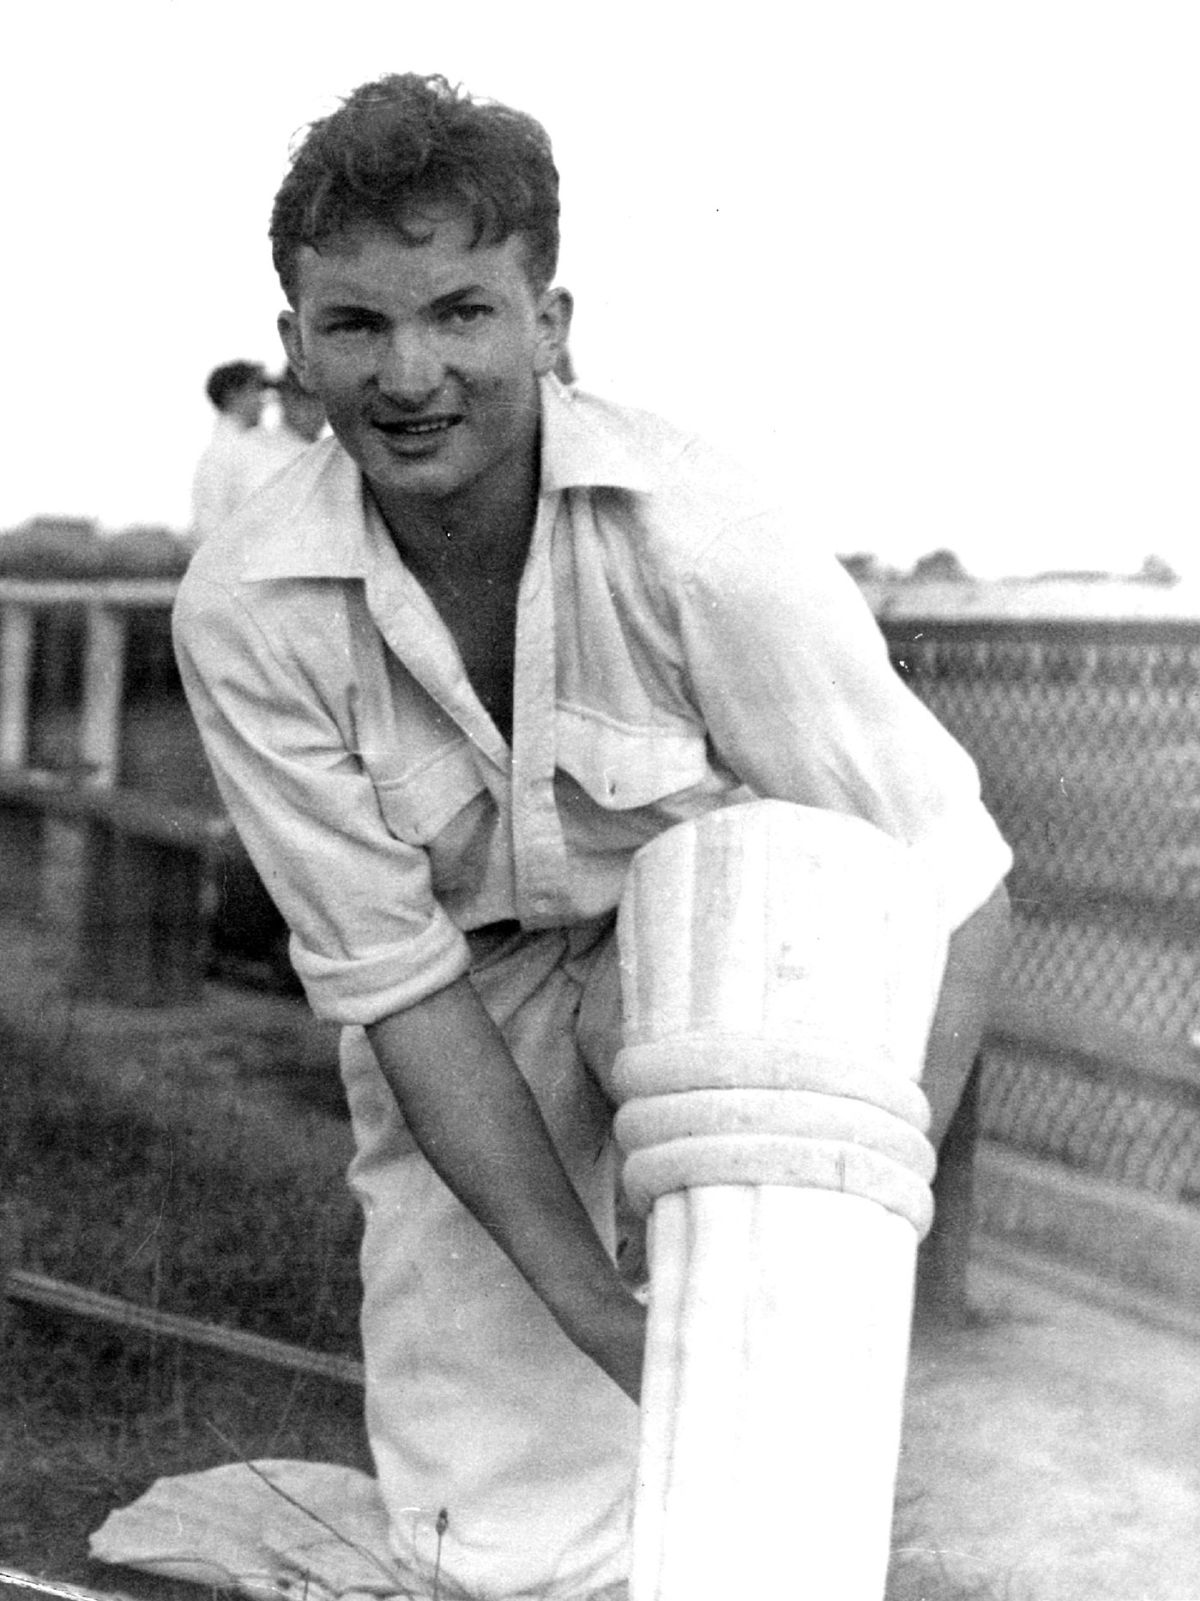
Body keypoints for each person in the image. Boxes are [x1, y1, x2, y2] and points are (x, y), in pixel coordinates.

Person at [173, 73, 1011, 1600]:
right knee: (487, 1538)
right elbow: (402, 989)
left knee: (762, 1521)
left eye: (463, 312)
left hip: (722, 986)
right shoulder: (246, 606)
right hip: (469, 1004)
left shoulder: (699, 532)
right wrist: (591, 1309)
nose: (412, 372)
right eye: (356, 324)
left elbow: (954, 877)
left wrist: (864, 1212)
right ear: (295, 346)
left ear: (551, 321)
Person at [189, 360, 317, 545]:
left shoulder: (243, 447)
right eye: (257, 390)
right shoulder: (228, 451)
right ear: (233, 395)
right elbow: (211, 529)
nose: (264, 401)